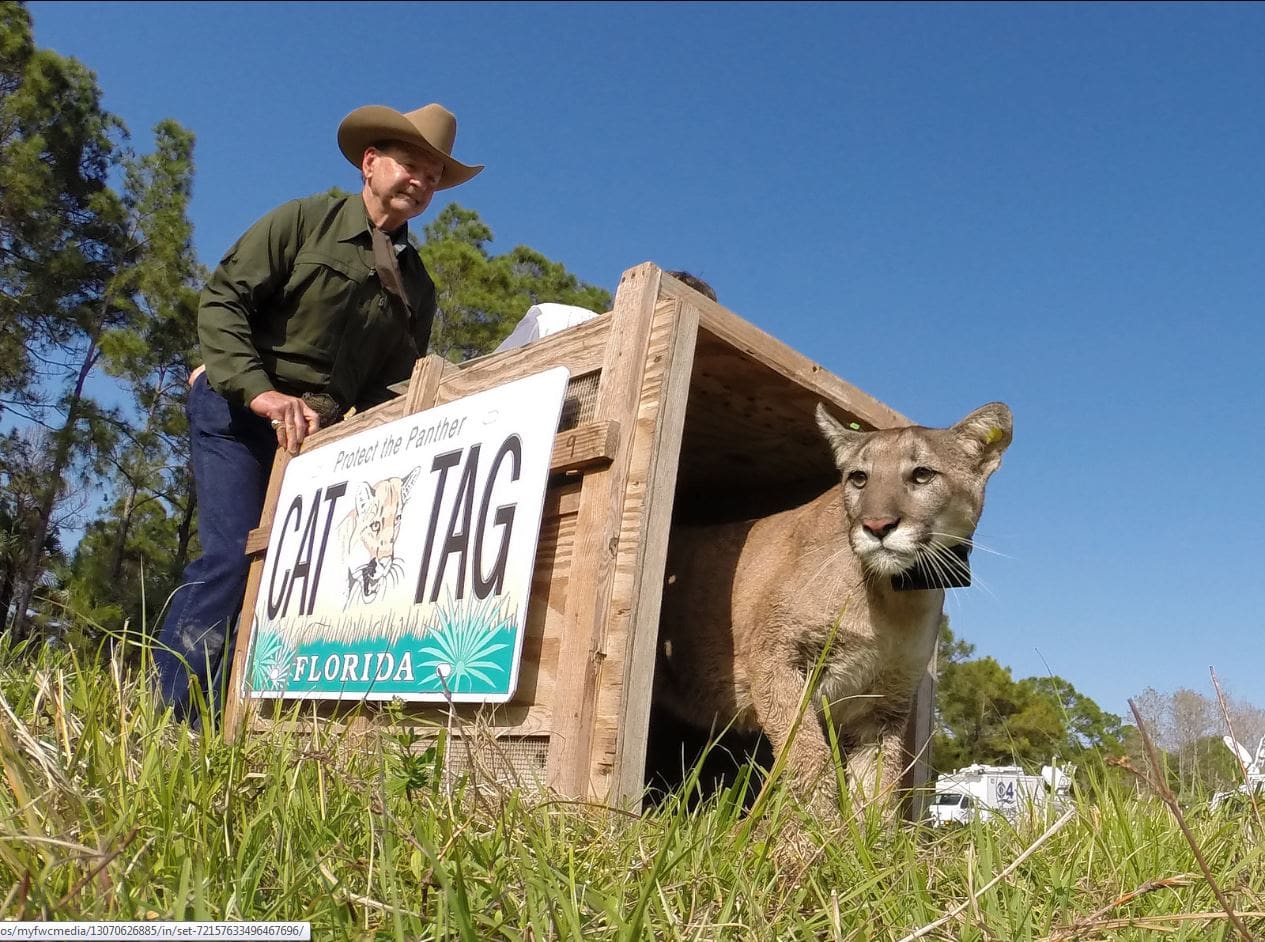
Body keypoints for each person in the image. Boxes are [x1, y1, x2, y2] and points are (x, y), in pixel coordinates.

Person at [154, 103, 483, 723]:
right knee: (232, 557)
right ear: (370, 162)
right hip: (240, 409)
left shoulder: (417, 284)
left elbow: (394, 386)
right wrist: (260, 391)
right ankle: (170, 728)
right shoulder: (303, 222)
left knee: (296, 581)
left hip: (317, 438)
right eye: (411, 164)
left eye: (434, 176)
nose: (421, 182)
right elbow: (223, 300)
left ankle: (245, 728)